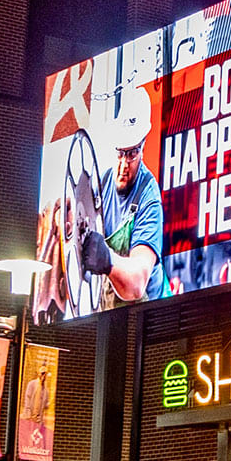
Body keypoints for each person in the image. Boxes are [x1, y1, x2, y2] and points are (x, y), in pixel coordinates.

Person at [78, 96, 165, 306]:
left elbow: (136, 285)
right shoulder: (102, 182)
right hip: (110, 305)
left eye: (132, 154)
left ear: (143, 148)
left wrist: (107, 258)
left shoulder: (149, 198)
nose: (124, 165)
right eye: (120, 153)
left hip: (149, 312)